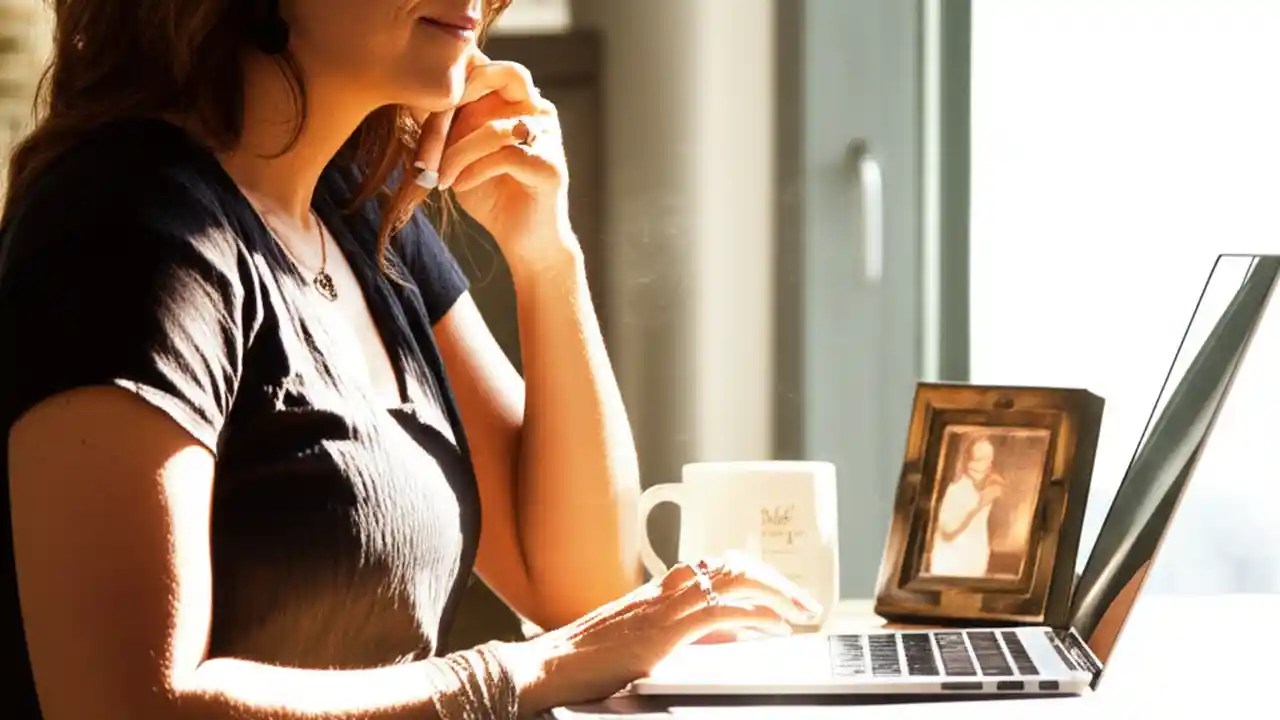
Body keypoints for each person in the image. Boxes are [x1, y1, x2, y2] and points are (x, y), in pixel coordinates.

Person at [0, 2, 821, 718]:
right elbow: (126, 704)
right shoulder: (123, 231)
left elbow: (578, 583)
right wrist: (525, 673)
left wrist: (545, 252)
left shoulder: (356, 208)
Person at [928, 434, 1006, 577]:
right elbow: (948, 531)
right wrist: (980, 504)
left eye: (989, 460)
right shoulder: (956, 490)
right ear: (966, 460)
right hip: (951, 568)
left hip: (975, 568)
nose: (985, 466)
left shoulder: (987, 486)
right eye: (978, 460)